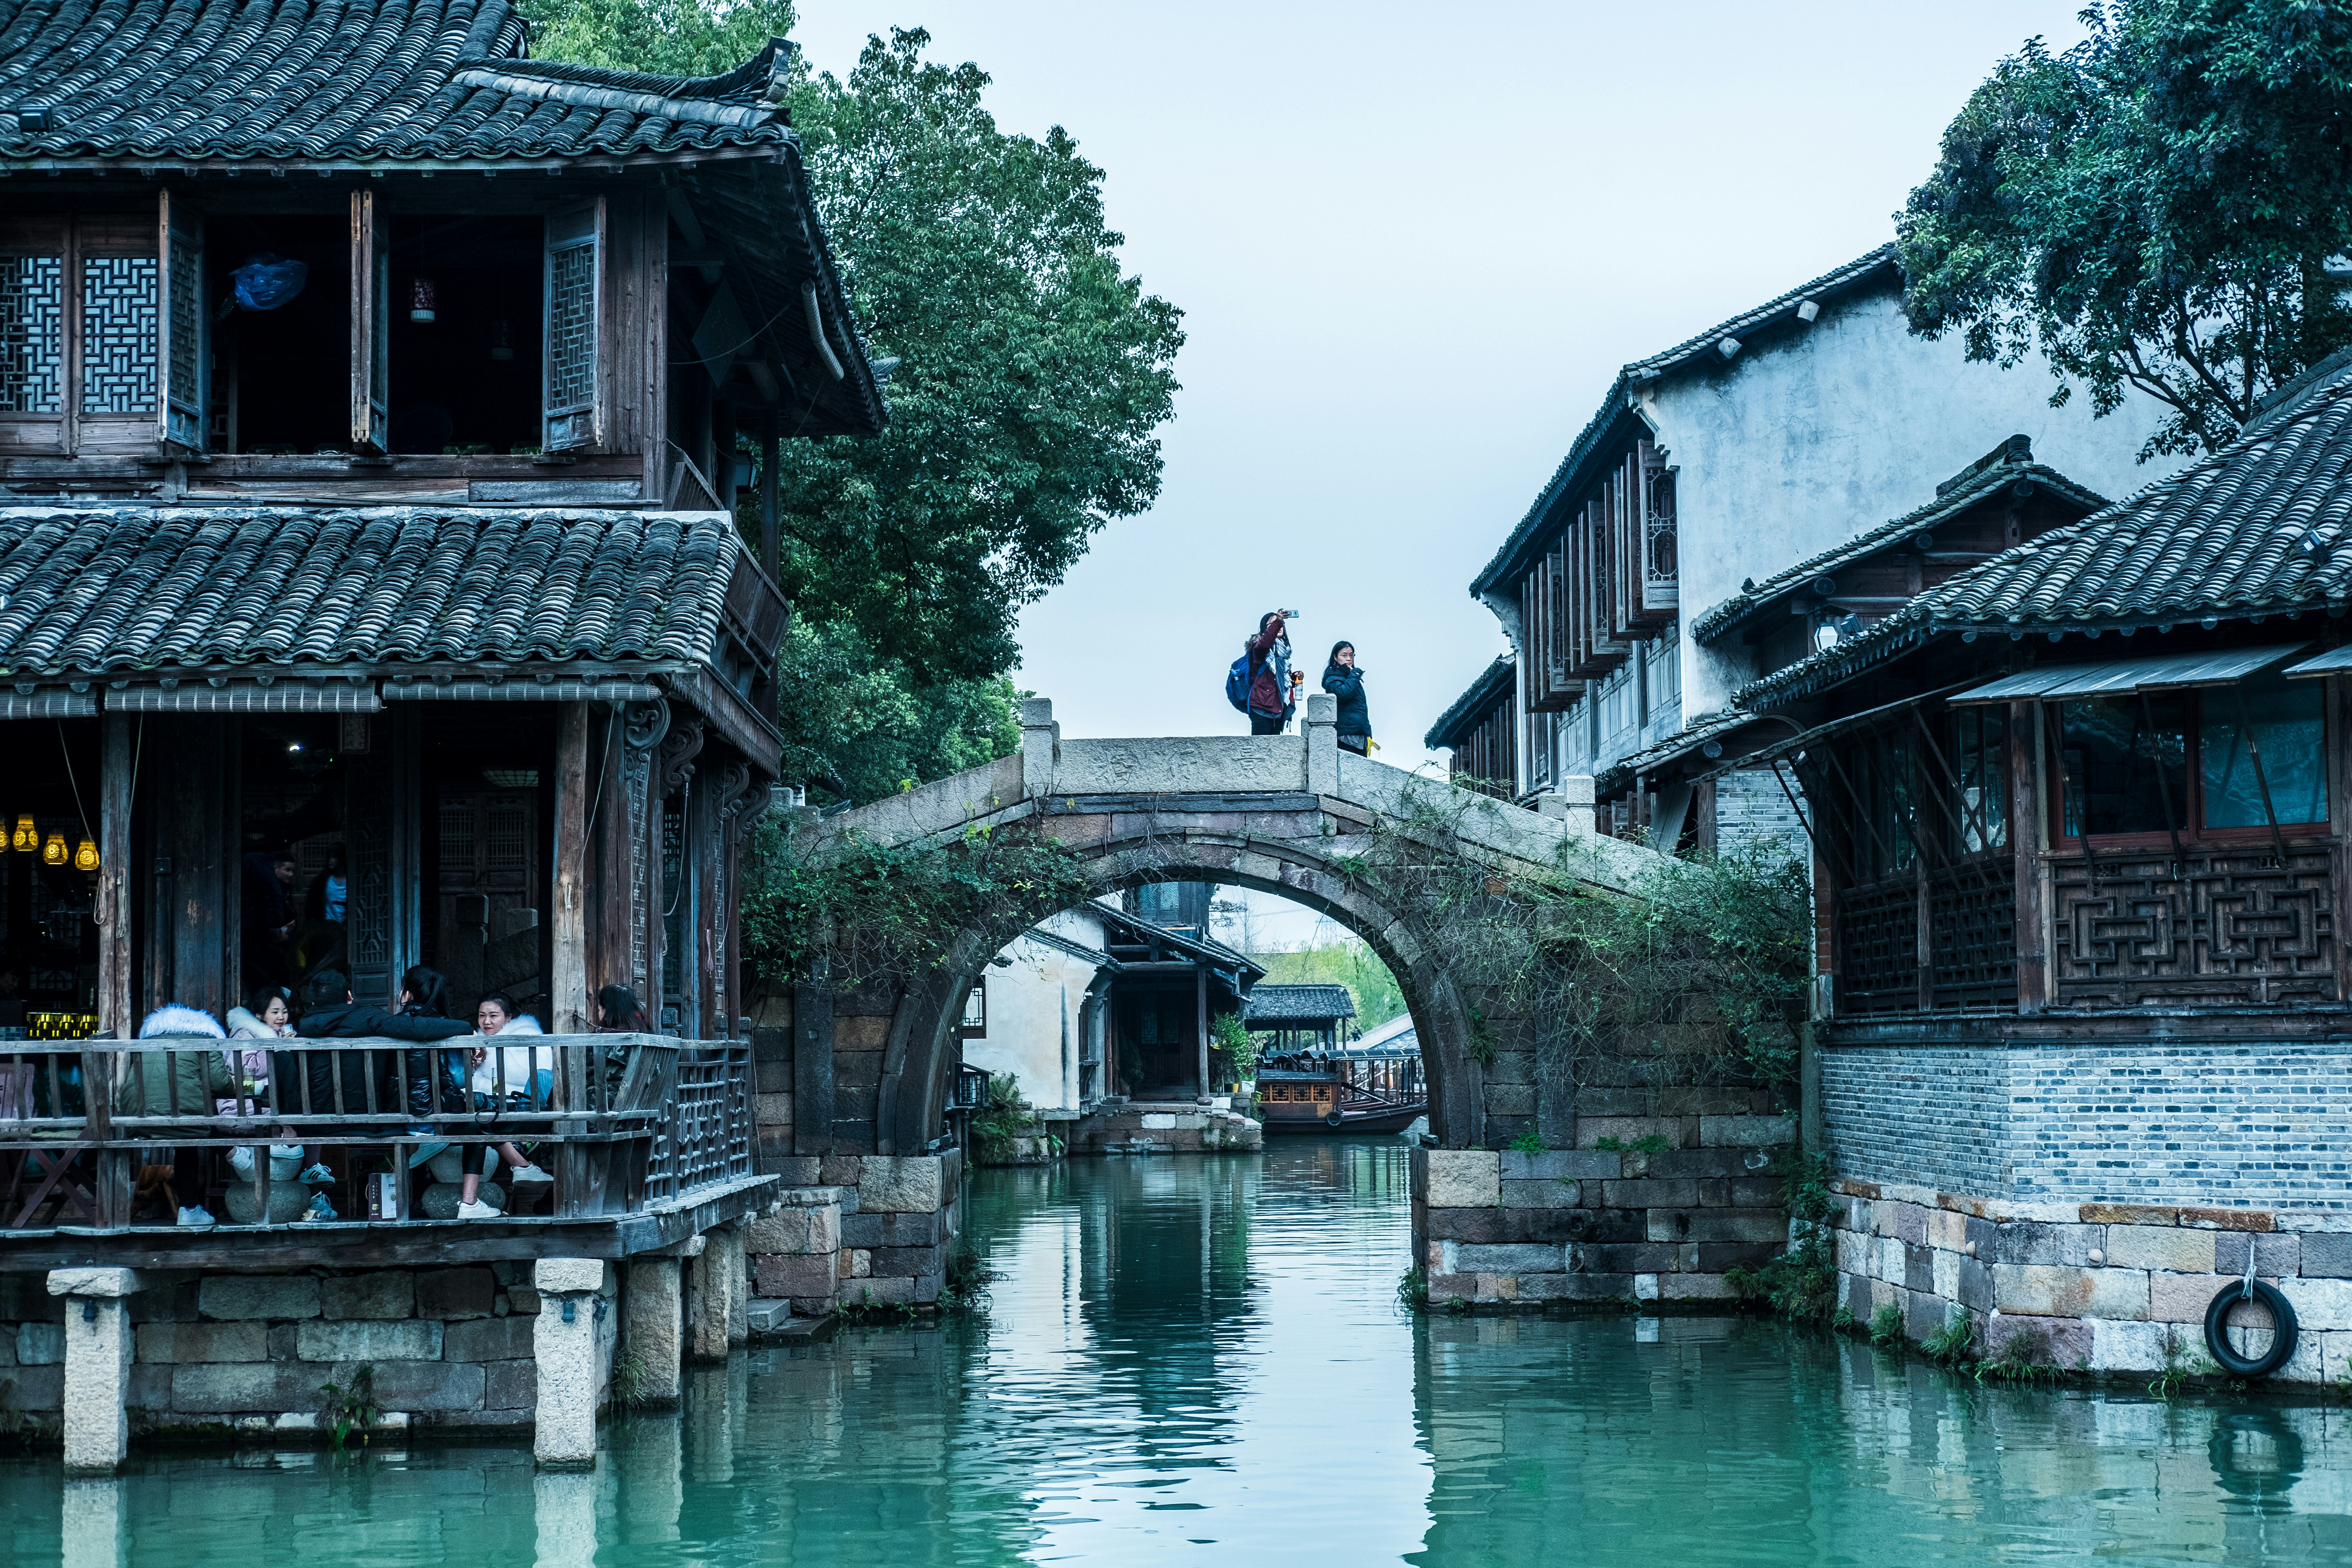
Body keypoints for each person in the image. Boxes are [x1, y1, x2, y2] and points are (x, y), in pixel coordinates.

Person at [126, 1005, 242, 1227]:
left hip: (134, 1118)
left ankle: (236, 1160)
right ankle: (190, 1208)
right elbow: (221, 1084)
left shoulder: (149, 1040)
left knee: (187, 1131)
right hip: (182, 1119)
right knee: (189, 1130)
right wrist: (234, 1082)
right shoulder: (206, 1038)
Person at [456, 991, 554, 1219]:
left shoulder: (526, 1035)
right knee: (478, 1119)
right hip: (493, 1110)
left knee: (481, 1120)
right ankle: (521, 1166)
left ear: (509, 1018)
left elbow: (528, 1074)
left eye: (494, 1016)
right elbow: (470, 1086)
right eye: (482, 1015)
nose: (487, 1022)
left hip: (523, 1108)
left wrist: (488, 1056)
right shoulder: (477, 1042)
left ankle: (518, 1165)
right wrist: (475, 1067)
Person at [240, 849, 299, 995]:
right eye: (287, 870)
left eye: (293, 871)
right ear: (276, 869)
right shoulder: (261, 868)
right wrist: (276, 927)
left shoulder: (280, 885)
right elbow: (274, 895)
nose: (291, 875)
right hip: (256, 930)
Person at [1242, 611, 1295, 735]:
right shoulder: (1259, 646)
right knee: (1260, 745)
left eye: (1281, 624)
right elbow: (1266, 643)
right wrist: (1279, 620)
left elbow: (1279, 680)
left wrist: (1293, 677)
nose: (1279, 626)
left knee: (1275, 746)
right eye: (1273, 624)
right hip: (1262, 705)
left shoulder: (1282, 653)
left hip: (1278, 708)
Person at [1321, 641, 1372, 756]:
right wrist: (1355, 675)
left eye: (1351, 655)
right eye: (1344, 655)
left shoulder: (1350, 677)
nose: (1349, 659)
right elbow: (1343, 694)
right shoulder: (1333, 677)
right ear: (1335, 657)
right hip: (1346, 735)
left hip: (1359, 733)